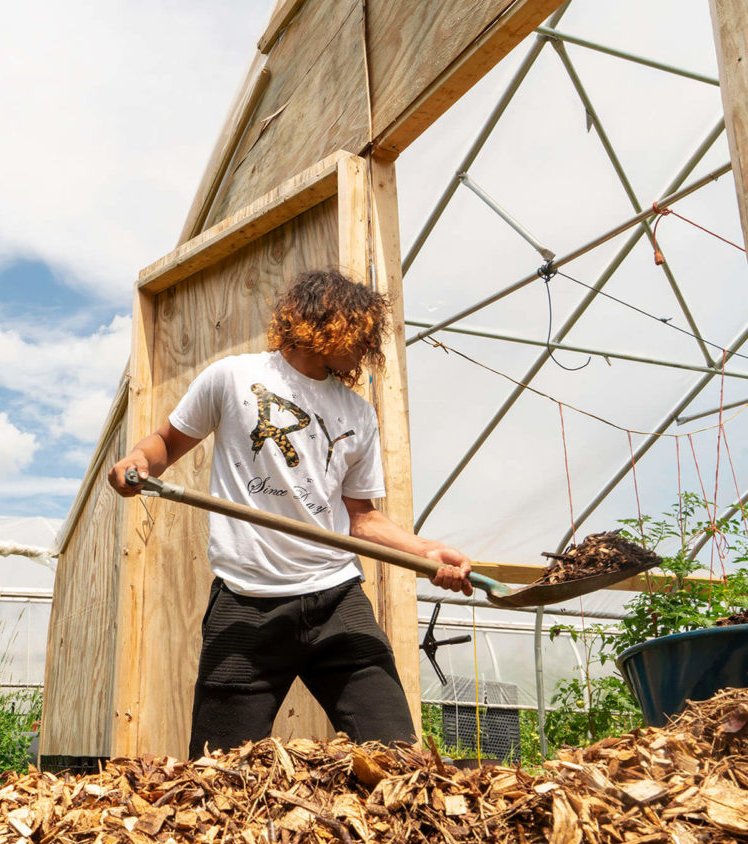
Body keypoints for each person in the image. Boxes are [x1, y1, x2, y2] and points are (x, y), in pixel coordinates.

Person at [108, 268, 474, 759]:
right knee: (217, 773)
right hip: (246, 603)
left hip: (336, 599)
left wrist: (427, 552)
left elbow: (362, 518)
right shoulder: (233, 378)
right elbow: (167, 443)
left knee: (398, 758)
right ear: (325, 322)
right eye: (362, 333)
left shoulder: (359, 414)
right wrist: (137, 463)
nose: (369, 347)